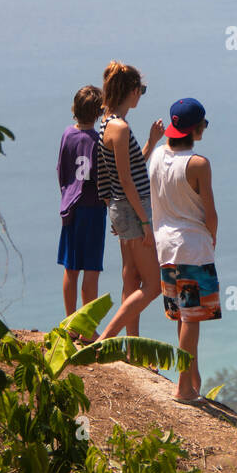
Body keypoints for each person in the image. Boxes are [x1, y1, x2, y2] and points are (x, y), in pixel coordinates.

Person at [148, 97, 219, 401]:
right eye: (204, 123)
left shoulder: (156, 156)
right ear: (196, 128)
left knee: (180, 316)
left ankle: (190, 379)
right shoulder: (199, 164)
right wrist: (211, 240)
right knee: (192, 316)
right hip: (192, 247)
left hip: (164, 246)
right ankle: (183, 388)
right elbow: (210, 213)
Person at [96, 61, 164, 339]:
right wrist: (145, 222)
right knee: (154, 285)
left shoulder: (107, 123)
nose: (141, 95)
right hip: (133, 209)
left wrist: (151, 142)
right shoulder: (120, 128)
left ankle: (132, 346)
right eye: (142, 90)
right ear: (132, 91)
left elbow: (126, 169)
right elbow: (126, 179)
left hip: (121, 208)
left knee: (131, 277)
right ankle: (105, 340)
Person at [57, 85, 106, 323]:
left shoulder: (67, 134)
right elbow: (102, 179)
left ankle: (70, 321)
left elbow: (61, 169)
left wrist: (66, 194)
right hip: (93, 209)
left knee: (71, 268)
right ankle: (87, 326)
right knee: (92, 270)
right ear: (98, 112)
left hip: (70, 208)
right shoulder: (97, 141)